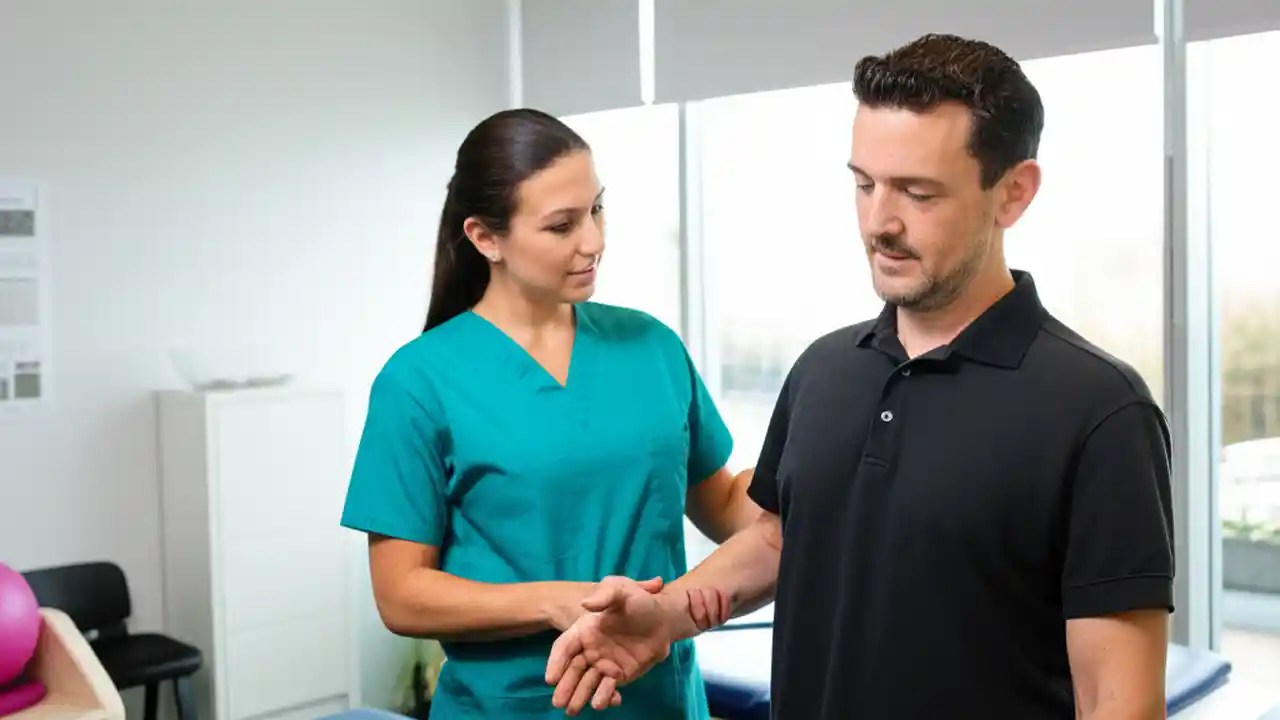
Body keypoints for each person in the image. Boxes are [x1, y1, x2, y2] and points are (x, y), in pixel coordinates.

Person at [545, 34, 1176, 719]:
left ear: (1013, 193)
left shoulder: (1101, 412)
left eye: (918, 193)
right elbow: (781, 538)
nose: (879, 223)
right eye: (865, 184)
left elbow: (1117, 703)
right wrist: (666, 615)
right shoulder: (823, 370)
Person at [339, 108, 755, 718]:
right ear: (486, 238)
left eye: (597, 209)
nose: (594, 240)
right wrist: (557, 602)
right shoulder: (418, 382)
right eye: (562, 225)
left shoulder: (652, 346)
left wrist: (807, 486)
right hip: (512, 705)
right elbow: (401, 594)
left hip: (661, 700)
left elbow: (721, 503)